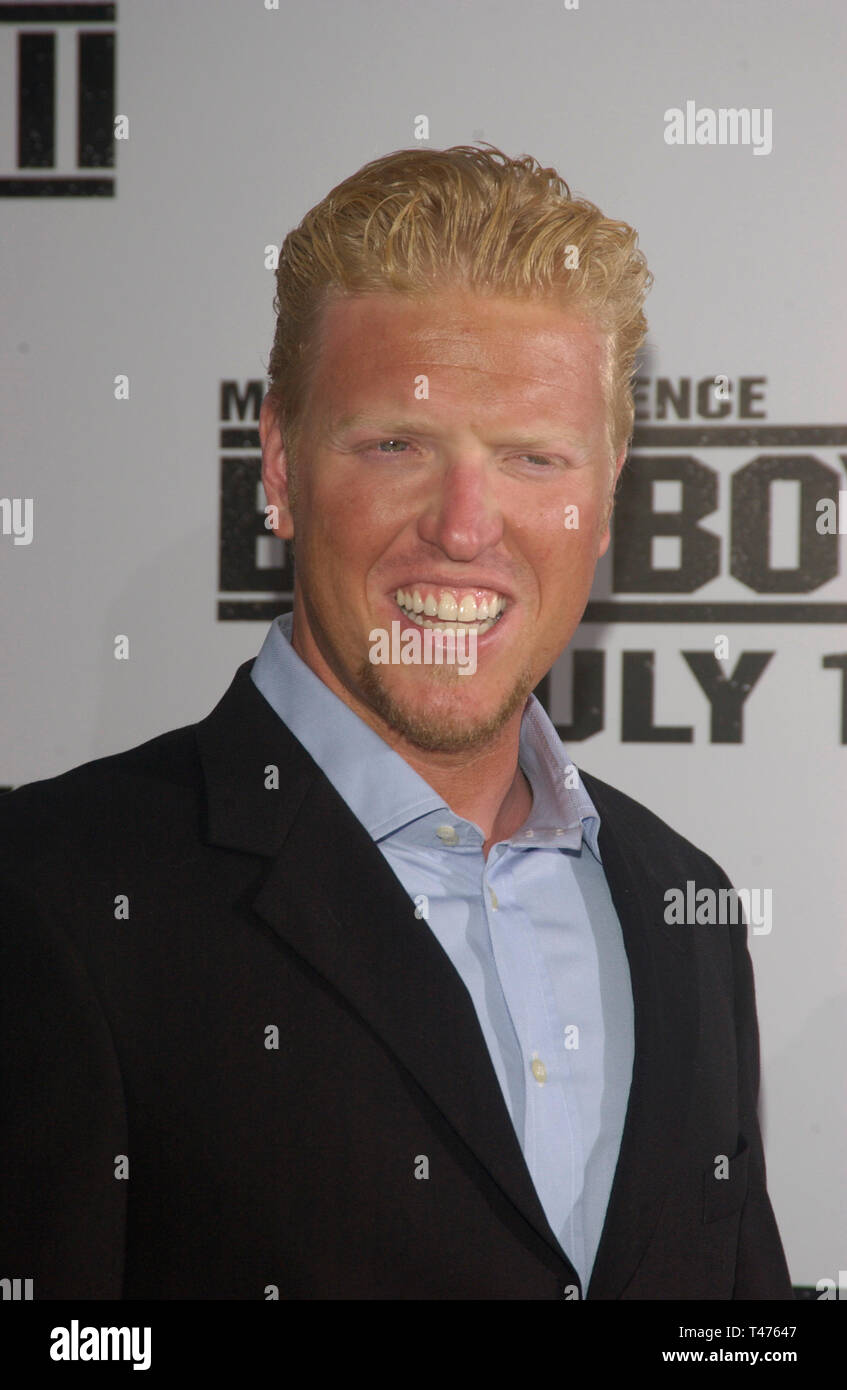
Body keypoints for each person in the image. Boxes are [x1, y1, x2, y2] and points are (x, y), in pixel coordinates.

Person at [0, 145, 792, 1300]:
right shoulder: (52, 894)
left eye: (532, 457)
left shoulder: (686, 908)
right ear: (277, 462)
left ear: (605, 491)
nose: (466, 527)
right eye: (396, 446)